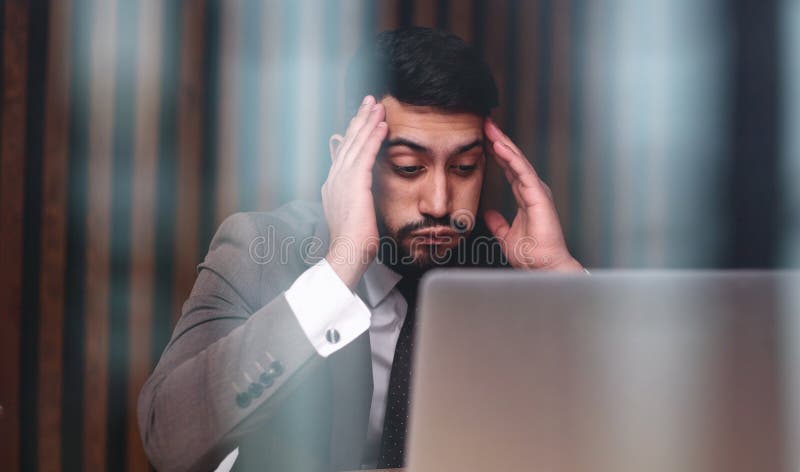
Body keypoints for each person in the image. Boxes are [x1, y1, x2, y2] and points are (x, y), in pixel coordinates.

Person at [138, 27, 586, 472]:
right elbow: (168, 440)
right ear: (349, 162)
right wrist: (339, 272)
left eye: (464, 168)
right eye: (408, 167)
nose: (439, 203)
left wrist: (562, 281)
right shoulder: (261, 251)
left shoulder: (513, 279)